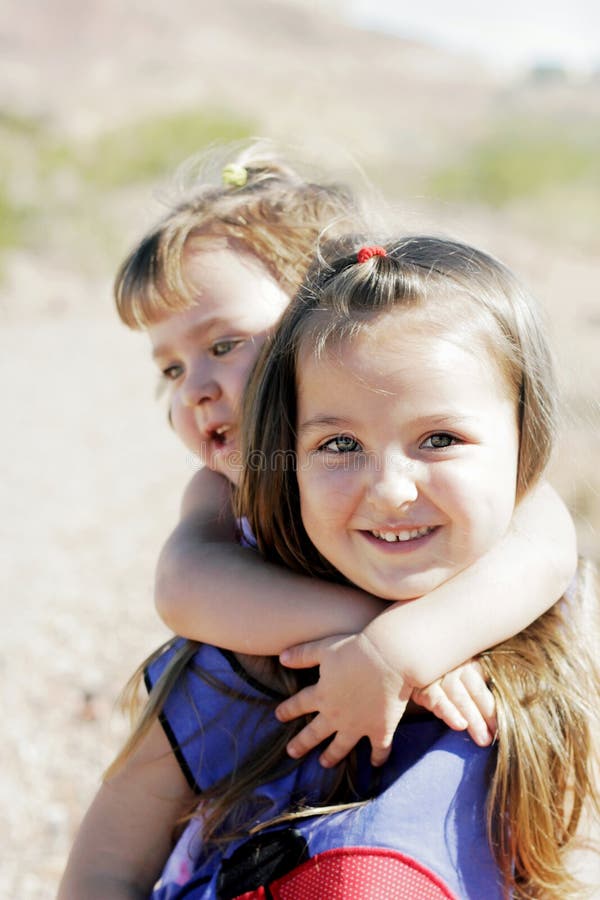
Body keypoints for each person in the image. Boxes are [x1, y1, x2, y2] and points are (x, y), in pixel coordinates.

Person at [57, 144, 577, 899]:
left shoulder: (451, 480)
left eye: (224, 345)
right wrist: (364, 636)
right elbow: (184, 582)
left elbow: (548, 540)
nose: (195, 389)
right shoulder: (228, 490)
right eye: (171, 369)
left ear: (324, 316)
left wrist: (404, 649)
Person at [233, 236, 599, 898]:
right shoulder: (239, 641)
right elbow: (108, 863)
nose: (391, 490)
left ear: (527, 441)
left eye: (440, 440)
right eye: (339, 444)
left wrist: (405, 645)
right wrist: (379, 641)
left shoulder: (564, 642)